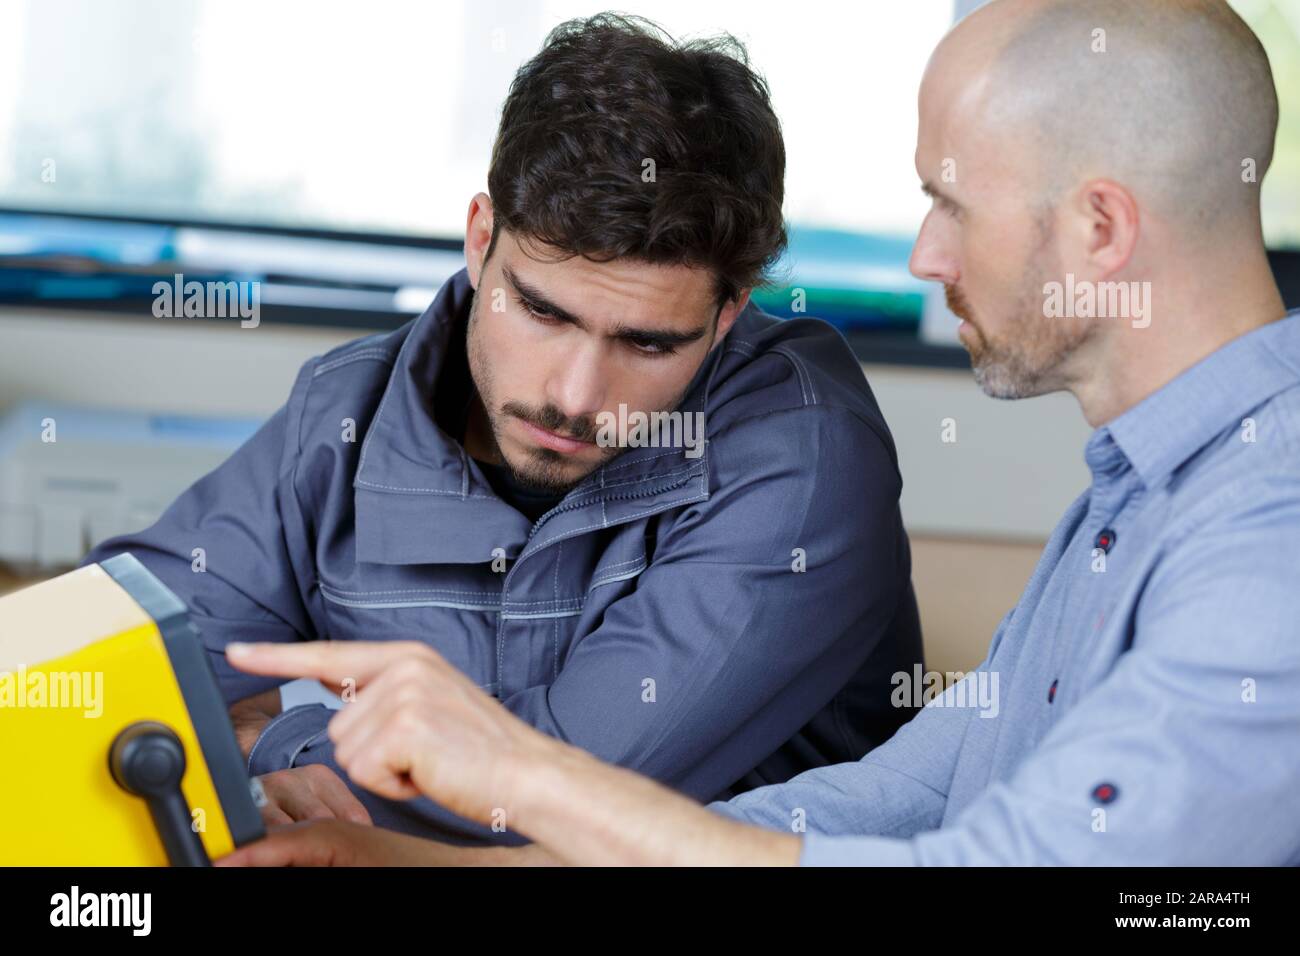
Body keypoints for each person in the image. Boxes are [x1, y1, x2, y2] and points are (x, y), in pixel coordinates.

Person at [219, 0, 1300, 866]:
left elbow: (1024, 859)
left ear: (1098, 228)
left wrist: (520, 773)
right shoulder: (1136, 493)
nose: (926, 256)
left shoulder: (1269, 529)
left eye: (951, 204)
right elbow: (903, 794)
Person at [80, 14, 923, 841]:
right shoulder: (345, 411)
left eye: (647, 342)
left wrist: (268, 741)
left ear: (730, 312)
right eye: (542, 311)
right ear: (481, 240)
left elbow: (545, 796)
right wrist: (219, 734)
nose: (576, 394)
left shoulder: (808, 455)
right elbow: (94, 668)